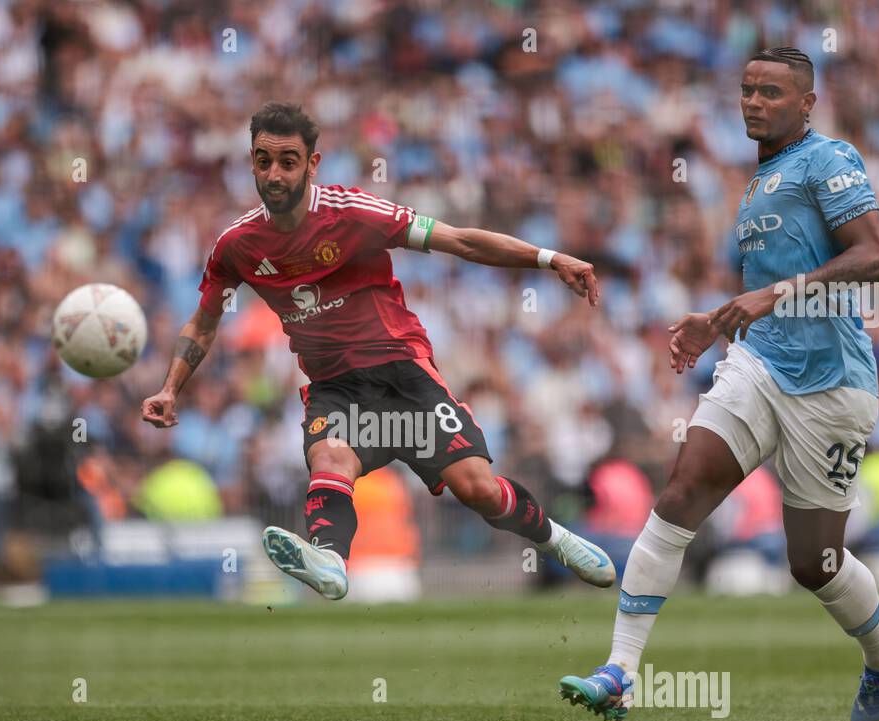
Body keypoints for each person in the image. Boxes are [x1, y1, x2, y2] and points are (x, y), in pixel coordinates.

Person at [559, 48, 879, 721]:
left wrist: (767, 296)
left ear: (807, 102)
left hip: (832, 384)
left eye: (772, 92)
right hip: (757, 366)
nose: (753, 102)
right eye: (747, 90)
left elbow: (877, 257)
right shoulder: (757, 181)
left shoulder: (827, 159)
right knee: (682, 489)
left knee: (814, 563)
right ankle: (620, 671)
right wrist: (719, 319)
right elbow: (767, 297)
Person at [141, 102, 614, 599]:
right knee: (329, 460)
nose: (274, 174)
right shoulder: (237, 245)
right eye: (263, 161)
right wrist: (171, 388)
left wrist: (548, 257)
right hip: (335, 388)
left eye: (287, 161)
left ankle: (554, 538)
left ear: (313, 164)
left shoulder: (354, 214)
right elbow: (204, 322)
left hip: (401, 372)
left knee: (478, 489)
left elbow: (461, 242)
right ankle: (329, 560)